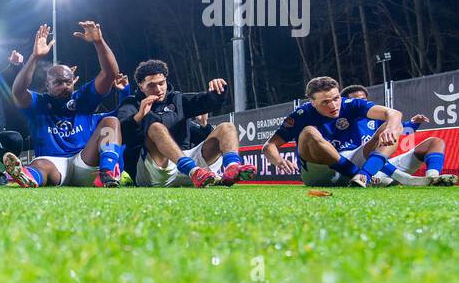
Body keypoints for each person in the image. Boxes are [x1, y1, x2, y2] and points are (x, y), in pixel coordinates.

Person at [7, 22, 124, 188]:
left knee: (111, 122)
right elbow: (18, 91)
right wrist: (35, 57)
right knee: (40, 165)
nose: (64, 86)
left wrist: (99, 42)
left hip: (84, 160)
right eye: (58, 82)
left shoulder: (83, 98)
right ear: (47, 85)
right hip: (53, 163)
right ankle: (29, 176)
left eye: (68, 82)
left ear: (73, 82)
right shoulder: (38, 103)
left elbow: (110, 74)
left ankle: (108, 173)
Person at [116, 59, 249, 187]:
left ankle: (232, 168)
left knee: (227, 127)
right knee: (156, 128)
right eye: (151, 85)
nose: (158, 89)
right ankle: (192, 170)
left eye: (161, 83)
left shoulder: (177, 99)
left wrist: (218, 92)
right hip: (155, 171)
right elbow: (120, 133)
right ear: (141, 86)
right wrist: (138, 116)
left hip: (189, 164)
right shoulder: (131, 103)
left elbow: (205, 101)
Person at [261, 77, 406, 188]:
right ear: (312, 102)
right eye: (325, 102)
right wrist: (279, 161)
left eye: (336, 99)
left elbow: (393, 113)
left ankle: (364, 175)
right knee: (308, 131)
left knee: (394, 124)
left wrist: (390, 129)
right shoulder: (301, 114)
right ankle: (360, 174)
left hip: (351, 160)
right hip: (320, 173)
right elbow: (269, 146)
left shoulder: (350, 104)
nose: (333, 105)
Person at [339, 84, 454, 186]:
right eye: (355, 100)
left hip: (387, 166)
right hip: (359, 169)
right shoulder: (340, 122)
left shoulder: (374, 118)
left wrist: (413, 123)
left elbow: (399, 129)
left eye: (363, 99)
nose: (361, 103)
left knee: (435, 142)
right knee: (372, 148)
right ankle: (381, 178)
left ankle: (433, 178)